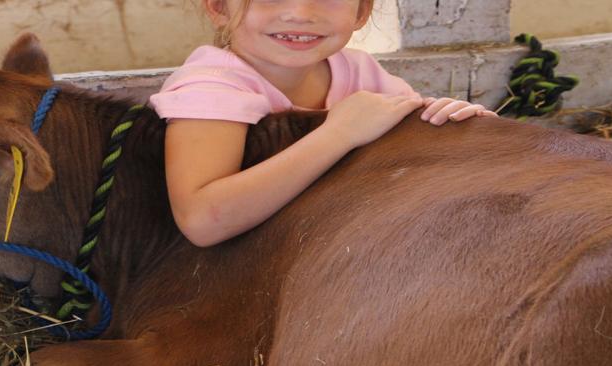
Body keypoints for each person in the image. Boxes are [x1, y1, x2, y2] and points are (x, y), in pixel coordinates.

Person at [152, 0, 495, 247]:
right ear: (218, 7)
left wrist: (451, 123)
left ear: (361, 11)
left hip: (335, 251)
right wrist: (338, 134)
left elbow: (412, 141)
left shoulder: (360, 72)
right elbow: (201, 221)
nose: (300, 13)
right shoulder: (212, 88)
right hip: (243, 279)